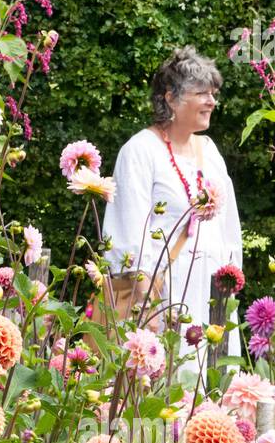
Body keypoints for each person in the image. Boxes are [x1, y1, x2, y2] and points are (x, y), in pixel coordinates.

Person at [101, 46, 243, 360]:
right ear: (170, 98)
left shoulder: (210, 151)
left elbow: (229, 229)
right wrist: (148, 305)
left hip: (213, 295)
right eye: (202, 93)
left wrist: (231, 281)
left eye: (213, 92)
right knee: (173, 387)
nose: (211, 101)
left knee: (215, 383)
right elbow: (127, 235)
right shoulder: (140, 151)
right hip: (166, 296)